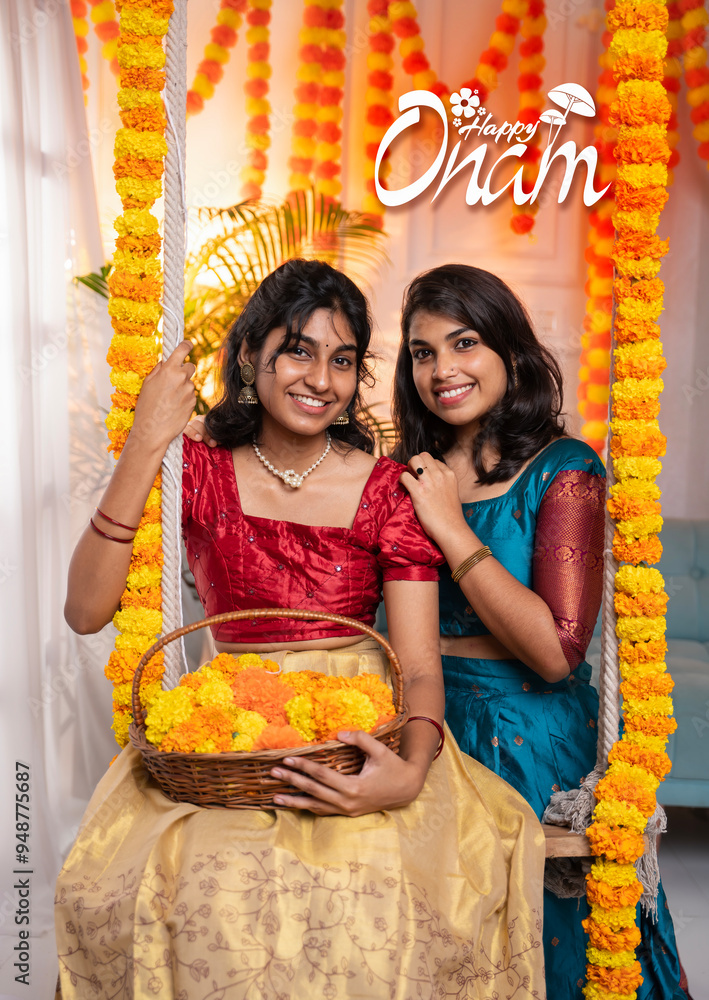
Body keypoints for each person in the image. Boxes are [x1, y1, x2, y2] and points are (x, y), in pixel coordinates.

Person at [56, 259, 546, 1000]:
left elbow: (415, 668)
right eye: (299, 350)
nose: (321, 378)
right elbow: (86, 612)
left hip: (360, 726)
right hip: (229, 726)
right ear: (250, 354)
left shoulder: (385, 489)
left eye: (342, 359)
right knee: (199, 881)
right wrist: (145, 446)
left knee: (376, 891)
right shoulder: (197, 466)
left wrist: (407, 773)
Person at [391, 262, 687, 1000]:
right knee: (429, 938)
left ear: (509, 352)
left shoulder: (565, 469)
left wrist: (451, 530)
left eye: (463, 344)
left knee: (535, 941)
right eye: (422, 352)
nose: (441, 369)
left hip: (520, 730)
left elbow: (556, 651)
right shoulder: (411, 471)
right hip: (423, 719)